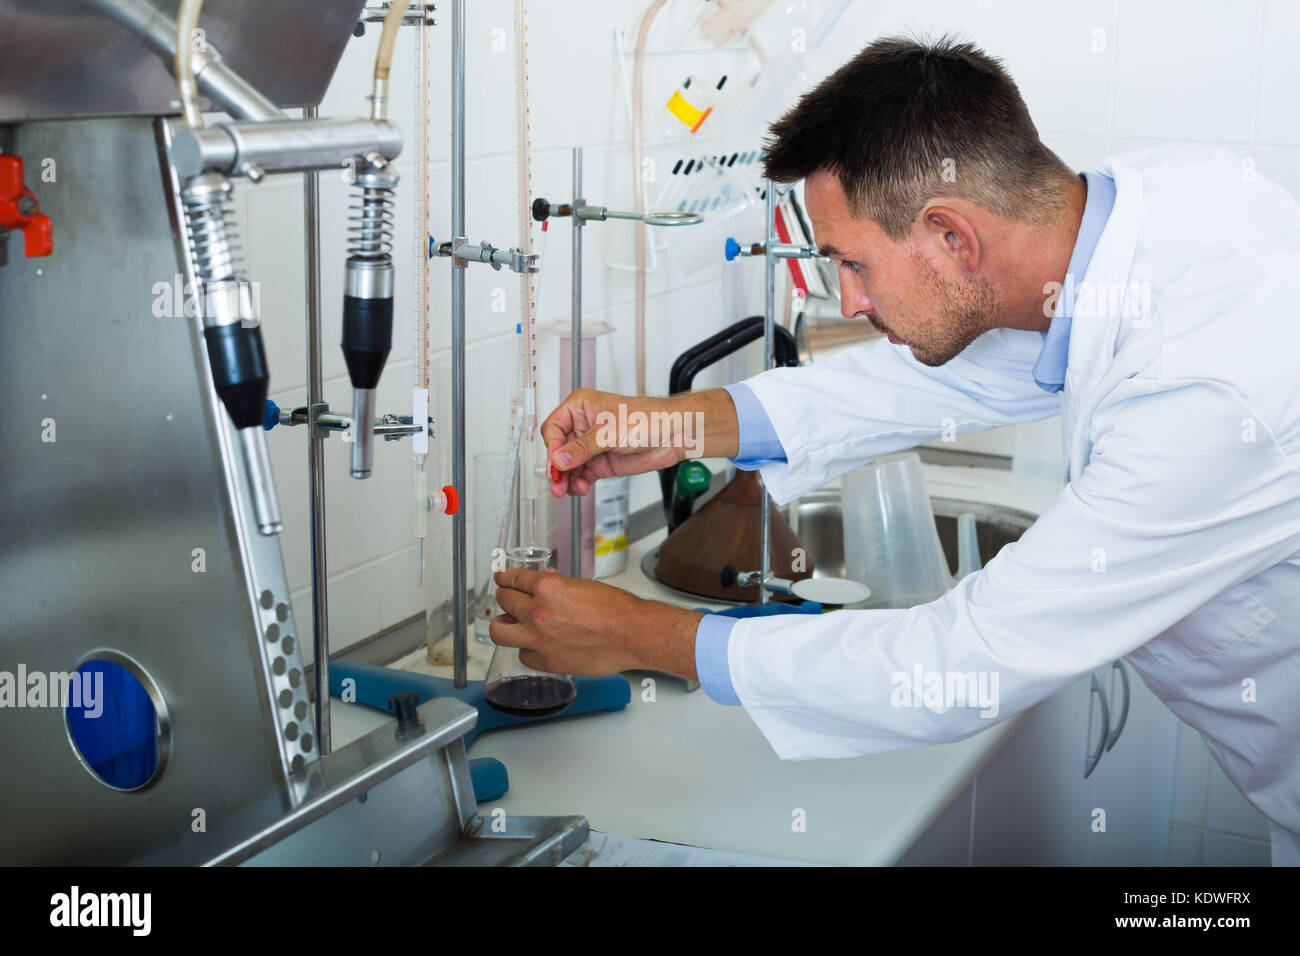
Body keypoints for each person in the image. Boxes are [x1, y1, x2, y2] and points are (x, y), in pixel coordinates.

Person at [489, 36, 1300, 865]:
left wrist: (649, 638)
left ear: (952, 236)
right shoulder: (1145, 217)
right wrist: (672, 426)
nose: (849, 298)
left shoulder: (1203, 390)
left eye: (854, 263)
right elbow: (945, 380)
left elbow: (966, 659)